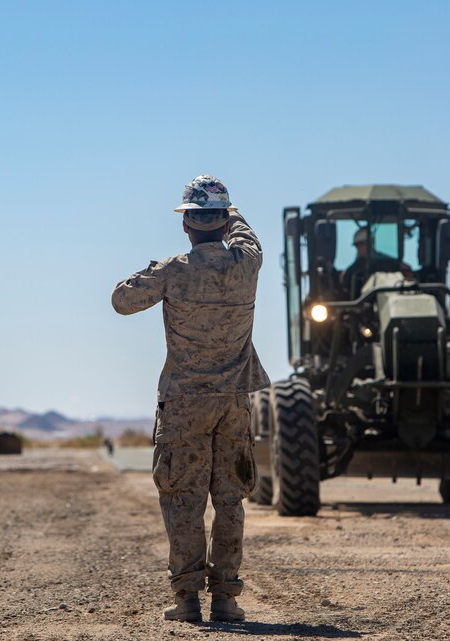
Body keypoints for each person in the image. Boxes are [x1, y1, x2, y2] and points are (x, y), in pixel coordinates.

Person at [111, 175, 269, 623]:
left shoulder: (173, 270)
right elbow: (247, 236)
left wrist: (157, 270)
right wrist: (228, 210)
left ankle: (186, 601)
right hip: (233, 403)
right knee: (230, 499)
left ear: (186, 226)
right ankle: (226, 598)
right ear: (224, 223)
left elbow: (121, 301)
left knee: (183, 498)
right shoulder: (246, 264)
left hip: (183, 405)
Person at [339, 226, 412, 299]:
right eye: (358, 246)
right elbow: (346, 284)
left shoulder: (388, 262)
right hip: (363, 304)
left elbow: (406, 270)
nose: (360, 248)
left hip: (392, 299)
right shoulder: (353, 269)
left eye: (362, 244)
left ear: (371, 242)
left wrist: (405, 271)